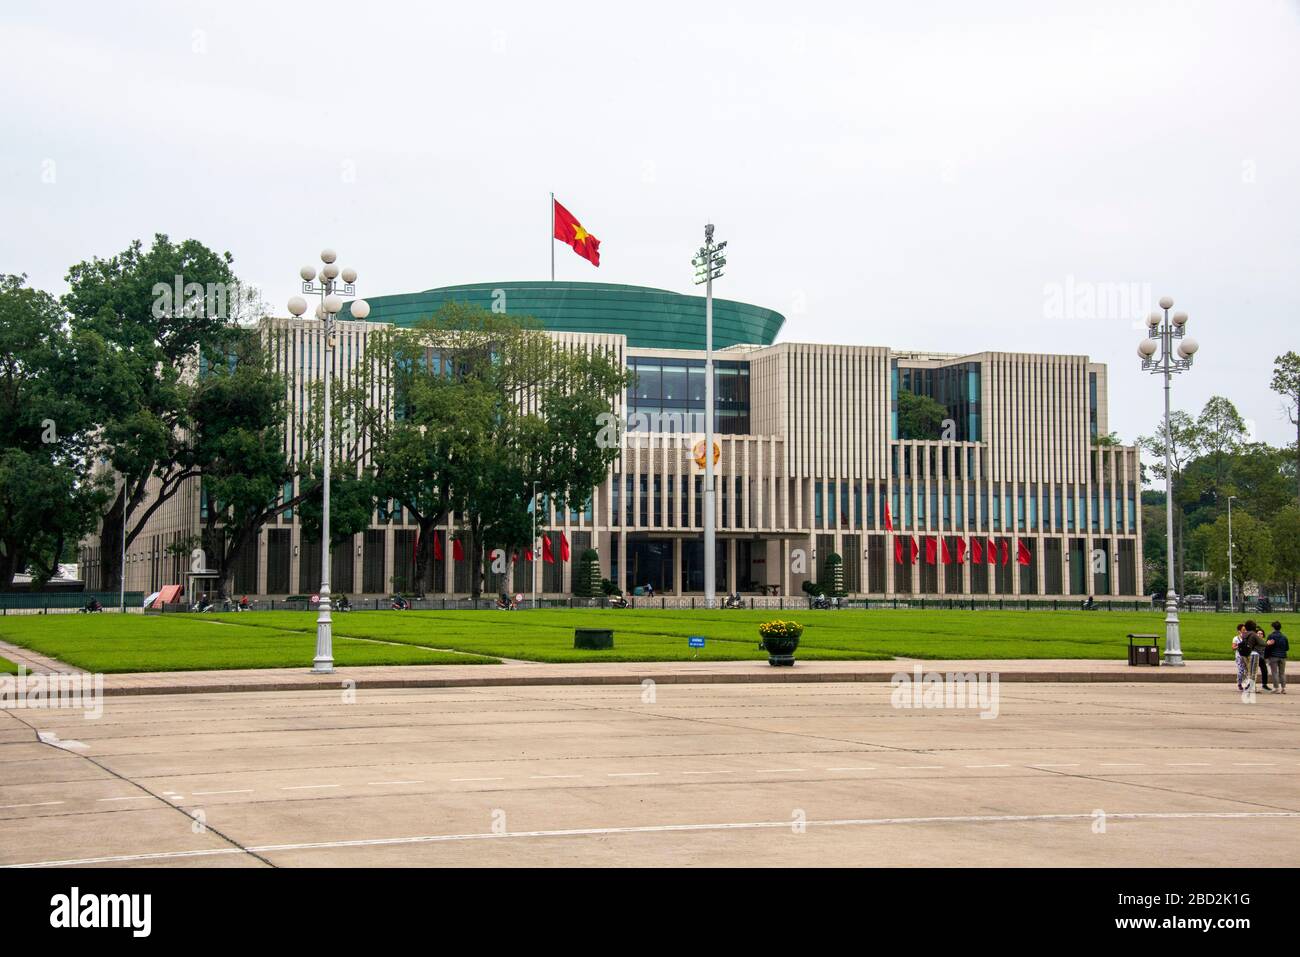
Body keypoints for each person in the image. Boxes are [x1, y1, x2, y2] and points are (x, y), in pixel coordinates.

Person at [1265, 620, 1288, 695]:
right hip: (1283, 656)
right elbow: (1287, 648)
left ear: (1273, 627)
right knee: (1282, 673)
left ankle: (1276, 688)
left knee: (1274, 672)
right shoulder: (1284, 637)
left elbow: (1267, 647)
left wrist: (1266, 656)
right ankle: (1283, 688)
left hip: (1273, 656)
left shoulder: (1271, 636)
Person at [1232, 623, 1248, 691]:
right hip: (1239, 656)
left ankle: (1247, 684)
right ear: (1239, 631)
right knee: (1241, 670)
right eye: (1243, 630)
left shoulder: (1248, 638)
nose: (1245, 631)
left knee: (1247, 671)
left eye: (1245, 630)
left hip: (1247, 656)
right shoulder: (1236, 638)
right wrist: (1239, 646)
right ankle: (1239, 683)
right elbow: (1233, 647)